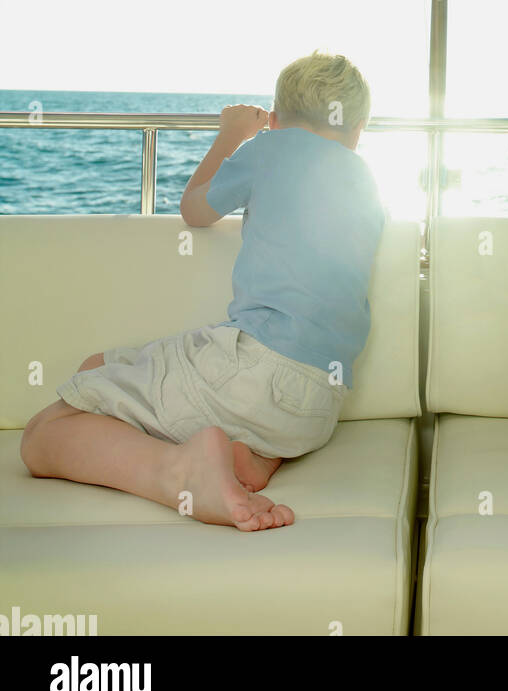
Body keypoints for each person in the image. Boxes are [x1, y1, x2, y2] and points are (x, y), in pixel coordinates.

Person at [20, 51, 386, 531]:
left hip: (253, 374)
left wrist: (233, 136)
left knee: (43, 434)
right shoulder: (367, 181)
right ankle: (248, 457)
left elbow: (195, 209)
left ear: (275, 120)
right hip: (314, 412)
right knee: (100, 367)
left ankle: (178, 474)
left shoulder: (269, 149)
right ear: (359, 127)